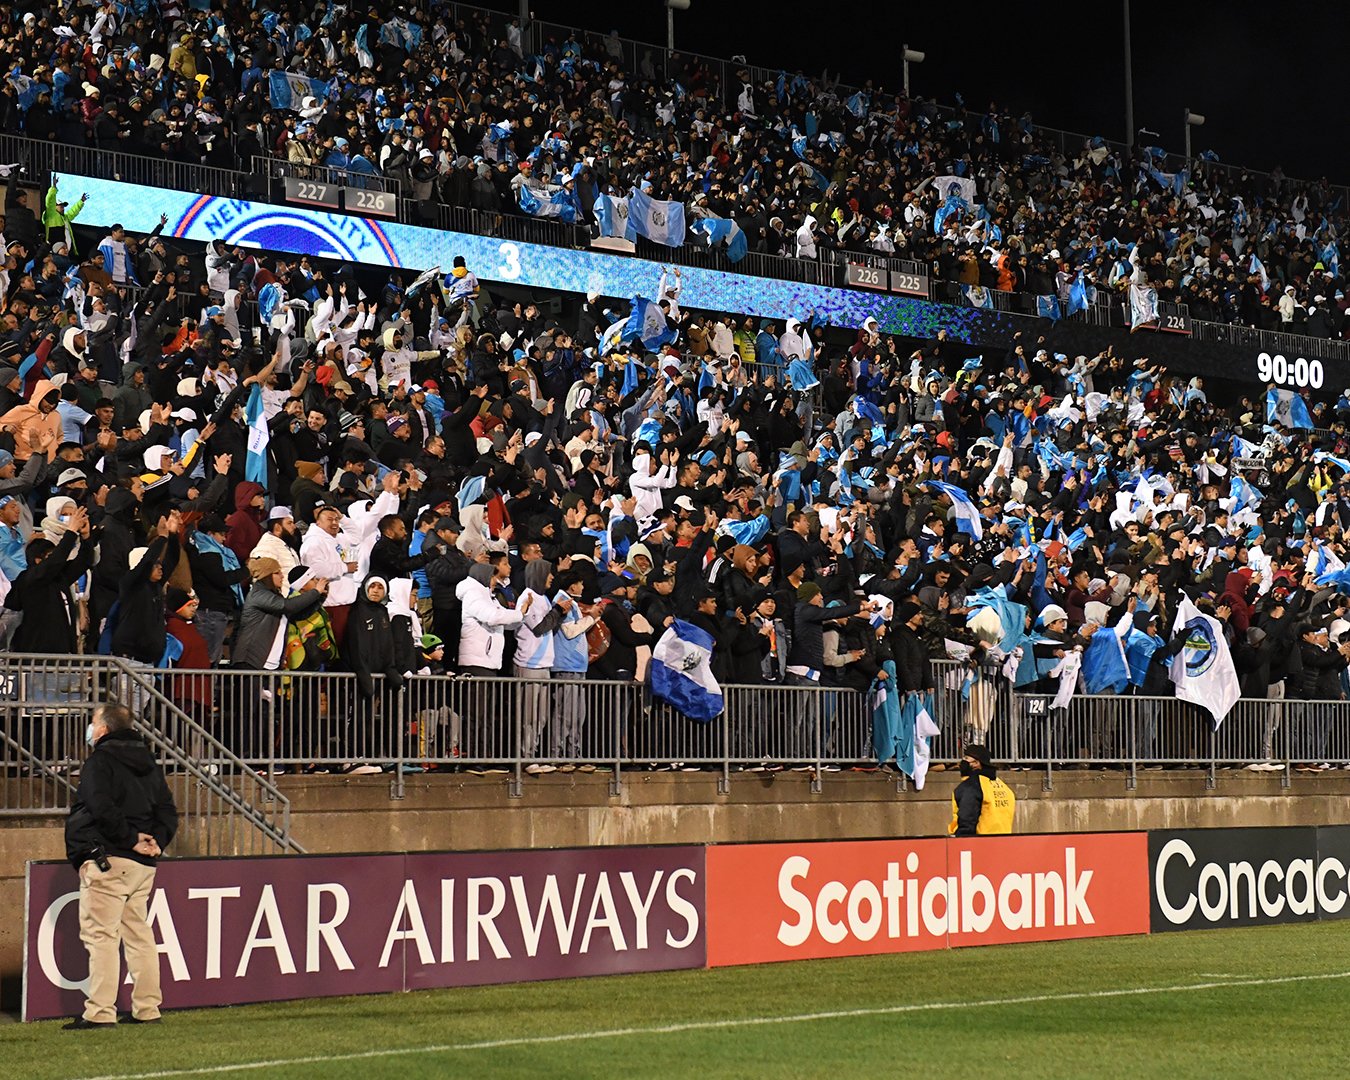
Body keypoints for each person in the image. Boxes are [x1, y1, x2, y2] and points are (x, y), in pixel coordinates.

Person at [62, 701, 177, 1029]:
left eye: (93, 722)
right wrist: (156, 840)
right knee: (139, 935)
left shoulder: (100, 760)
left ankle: (99, 1012)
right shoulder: (149, 762)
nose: (90, 728)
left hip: (109, 859)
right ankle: (147, 1008)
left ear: (103, 728)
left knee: (101, 936)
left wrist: (128, 838)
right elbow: (167, 809)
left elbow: (100, 806)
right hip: (142, 865)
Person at [948, 744, 1016, 836]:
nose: (961, 763)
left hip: (980, 844)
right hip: (1004, 842)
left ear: (976, 763)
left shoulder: (971, 786)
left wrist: (961, 842)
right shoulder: (1004, 787)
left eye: (966, 758)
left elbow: (967, 821)